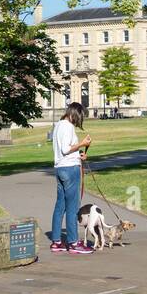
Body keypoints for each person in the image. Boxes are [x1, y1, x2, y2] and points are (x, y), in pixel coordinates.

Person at [50, 103, 93, 254]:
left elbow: (65, 150)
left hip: (60, 168)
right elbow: (66, 149)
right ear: (75, 113)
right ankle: (74, 243)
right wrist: (82, 143)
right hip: (70, 169)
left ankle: (56, 241)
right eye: (80, 117)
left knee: (60, 206)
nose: (78, 121)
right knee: (72, 207)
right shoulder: (67, 126)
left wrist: (79, 153)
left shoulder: (58, 125)